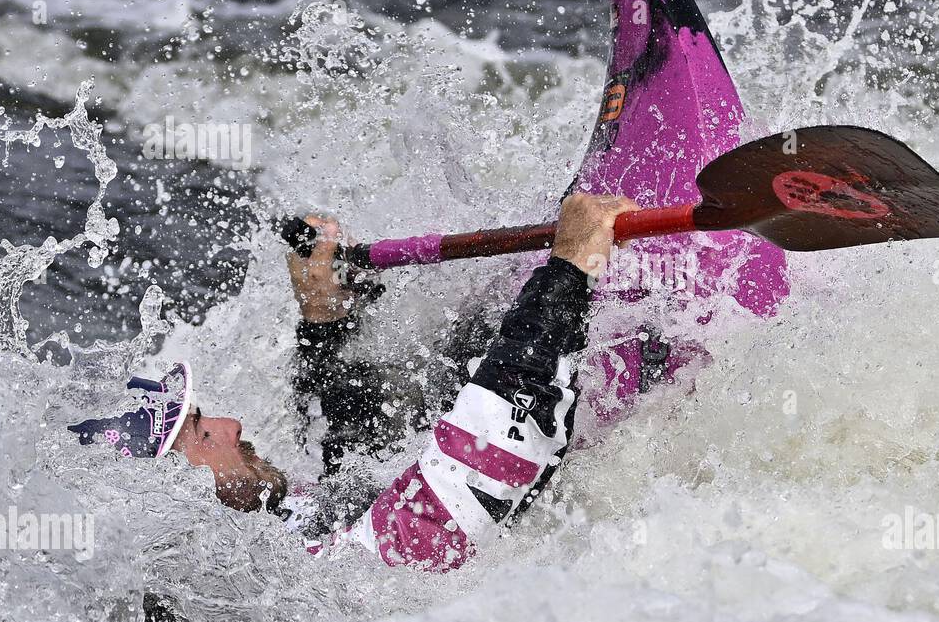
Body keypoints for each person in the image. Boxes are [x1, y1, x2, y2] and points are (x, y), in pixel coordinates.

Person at [71, 193, 639, 572]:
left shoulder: (260, 541)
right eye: (199, 432)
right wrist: (571, 268)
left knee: (455, 350)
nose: (231, 425)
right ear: (171, 495)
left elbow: (352, 472)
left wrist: (325, 322)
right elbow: (478, 474)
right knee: (483, 356)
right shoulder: (307, 589)